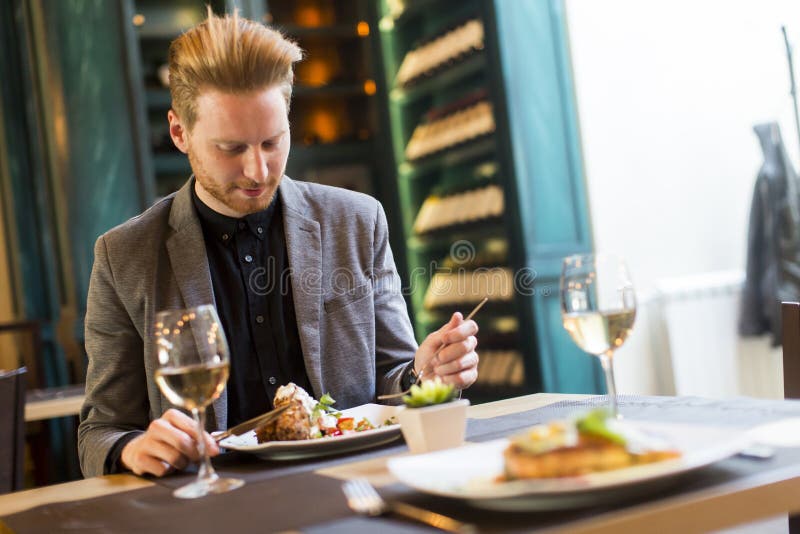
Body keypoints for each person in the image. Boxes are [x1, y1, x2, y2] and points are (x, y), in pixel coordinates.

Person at [77, 11, 480, 478]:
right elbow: (98, 432)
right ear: (179, 132)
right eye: (231, 148)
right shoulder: (122, 255)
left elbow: (393, 380)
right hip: (213, 506)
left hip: (354, 488)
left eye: (272, 141)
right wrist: (130, 448)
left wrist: (425, 375)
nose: (258, 170)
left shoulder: (358, 220)